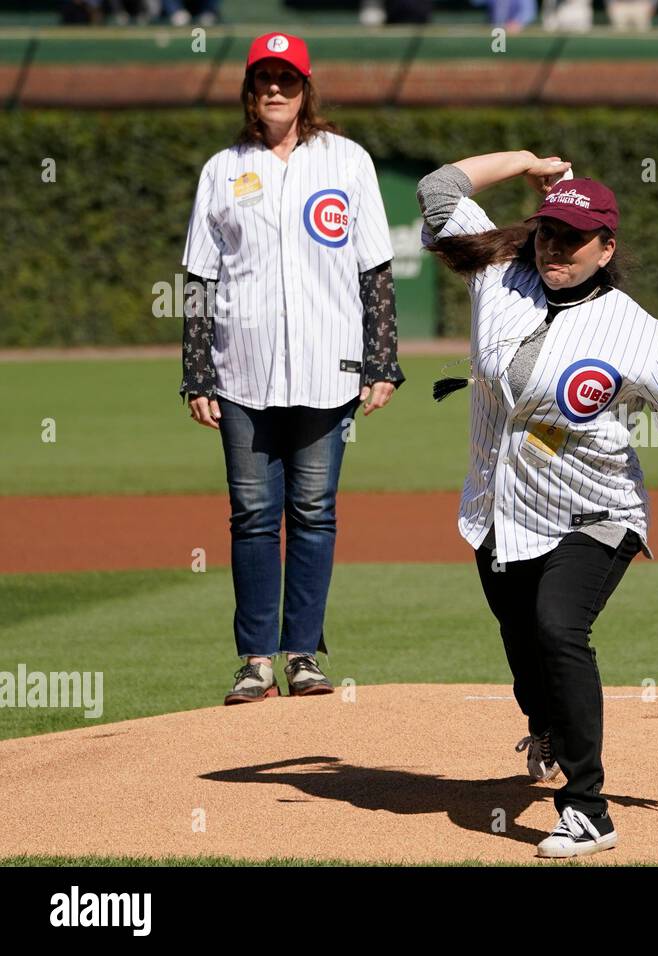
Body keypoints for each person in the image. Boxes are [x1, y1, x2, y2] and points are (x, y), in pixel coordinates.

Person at [418, 152, 658, 858]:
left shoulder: (640, 334)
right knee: (524, 648)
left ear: (607, 248)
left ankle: (587, 809)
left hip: (595, 511)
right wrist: (525, 164)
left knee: (556, 629)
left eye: (572, 239)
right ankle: (544, 721)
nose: (554, 249)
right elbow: (438, 187)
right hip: (498, 508)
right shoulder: (499, 273)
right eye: (547, 233)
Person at [180, 32, 404, 705]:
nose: (275, 89)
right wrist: (195, 370)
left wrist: (382, 360)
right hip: (240, 369)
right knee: (252, 514)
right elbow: (197, 274)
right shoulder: (223, 169)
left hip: (327, 368)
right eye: (263, 79)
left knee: (313, 511)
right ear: (249, 91)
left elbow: (375, 267)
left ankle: (303, 654)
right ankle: (255, 660)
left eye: (288, 78)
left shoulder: (347, 161)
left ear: (307, 89)